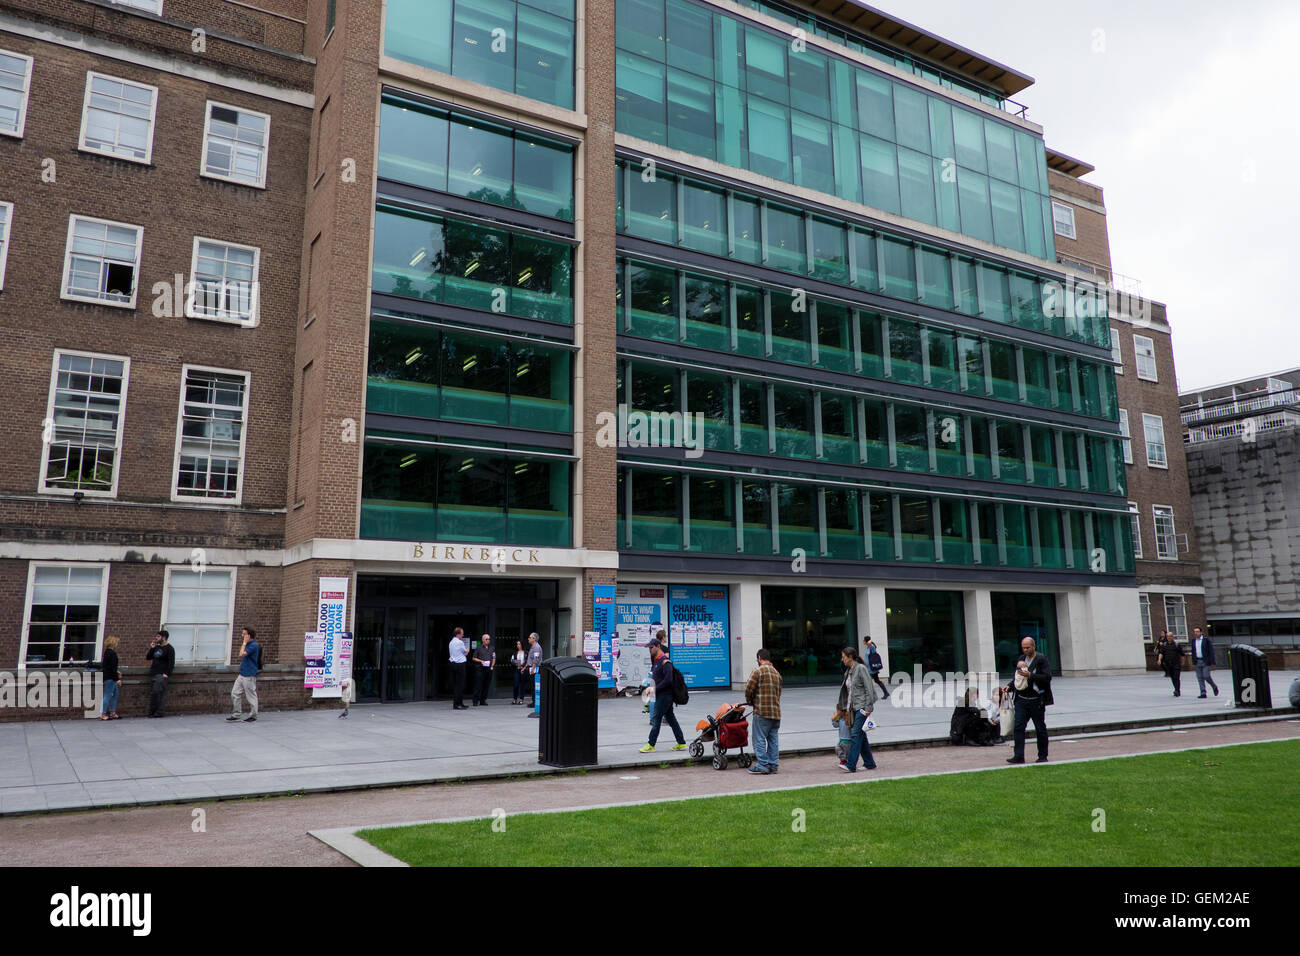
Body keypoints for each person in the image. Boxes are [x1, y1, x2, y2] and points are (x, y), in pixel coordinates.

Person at [1005, 636, 1053, 764]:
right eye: (1023, 648)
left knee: (1040, 728)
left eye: (1027, 647)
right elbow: (1017, 678)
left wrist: (1030, 675)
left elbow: (1047, 677)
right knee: (1018, 727)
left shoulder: (1041, 659)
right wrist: (1009, 686)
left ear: (1034, 646)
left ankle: (1042, 756)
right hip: (1021, 699)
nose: (1025, 650)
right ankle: (1018, 756)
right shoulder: (1021, 659)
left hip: (1036, 700)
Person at [639, 638, 687, 753]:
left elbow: (668, 680)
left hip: (665, 696)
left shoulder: (665, 662)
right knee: (671, 718)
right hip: (660, 695)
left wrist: (654, 688)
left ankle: (651, 744)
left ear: (658, 646)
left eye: (651, 647)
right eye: (648, 648)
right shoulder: (656, 661)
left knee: (656, 719)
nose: (649, 650)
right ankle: (681, 743)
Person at [743, 648, 783, 774]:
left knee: (759, 739)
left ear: (759, 658)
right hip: (775, 712)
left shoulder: (758, 671)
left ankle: (762, 765)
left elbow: (748, 689)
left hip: (762, 712)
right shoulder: (777, 673)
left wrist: (750, 702)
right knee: (773, 739)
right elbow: (779, 693)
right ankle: (773, 764)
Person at [837, 647, 877, 772]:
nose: (842, 659)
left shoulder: (860, 669)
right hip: (852, 708)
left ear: (850, 657)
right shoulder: (849, 671)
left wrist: (869, 707)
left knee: (855, 734)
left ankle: (851, 765)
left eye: (843, 657)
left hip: (862, 707)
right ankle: (869, 763)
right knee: (861, 735)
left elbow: (869, 688)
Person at [227, 626, 261, 722]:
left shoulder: (254, 645)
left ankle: (253, 716)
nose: (242, 635)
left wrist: (244, 643)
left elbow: (241, 654)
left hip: (249, 674)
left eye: (244, 634)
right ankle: (236, 714)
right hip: (242, 674)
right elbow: (241, 653)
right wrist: (245, 643)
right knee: (235, 693)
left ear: (249, 635)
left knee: (251, 696)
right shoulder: (249, 644)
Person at [145, 629, 175, 718]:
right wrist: (152, 648)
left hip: (161, 675)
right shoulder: (157, 647)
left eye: (158, 636)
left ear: (164, 638)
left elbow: (171, 663)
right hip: (153, 673)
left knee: (158, 693)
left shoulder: (169, 649)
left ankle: (159, 712)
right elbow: (148, 657)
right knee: (153, 693)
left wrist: (166, 674)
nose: (156, 638)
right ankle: (152, 712)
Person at [1190, 627, 1219, 698]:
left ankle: (1214, 686)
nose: (1196, 633)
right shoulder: (1193, 641)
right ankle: (1203, 692)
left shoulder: (1206, 640)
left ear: (1201, 632)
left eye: (1197, 632)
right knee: (1199, 677)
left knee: (1206, 676)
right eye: (1195, 632)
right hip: (1197, 661)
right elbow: (1193, 651)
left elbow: (1211, 651)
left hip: (1205, 661)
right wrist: (1193, 661)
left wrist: (1213, 662)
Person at [99, 635, 121, 720]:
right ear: (113, 643)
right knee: (108, 695)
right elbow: (113, 668)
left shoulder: (106, 652)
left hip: (108, 676)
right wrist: (117, 679)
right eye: (116, 643)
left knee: (115, 694)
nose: (117, 644)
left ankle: (112, 712)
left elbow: (107, 666)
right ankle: (103, 713)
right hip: (111, 678)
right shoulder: (112, 653)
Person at [1156, 630, 1182, 697]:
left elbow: (1182, 654)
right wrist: (1159, 659)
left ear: (1173, 637)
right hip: (1168, 664)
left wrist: (1182, 662)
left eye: (1170, 636)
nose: (1169, 637)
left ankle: (1177, 690)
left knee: (1176, 677)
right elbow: (1161, 653)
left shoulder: (1176, 644)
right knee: (1173, 677)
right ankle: (1176, 689)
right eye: (1167, 636)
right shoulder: (1164, 645)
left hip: (1176, 664)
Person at [472, 633, 495, 706]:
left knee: (486, 685)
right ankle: (475, 700)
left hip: (488, 669)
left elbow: (494, 658)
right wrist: (481, 661)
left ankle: (483, 700)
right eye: (486, 639)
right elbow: (474, 658)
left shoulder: (492, 648)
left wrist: (492, 666)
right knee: (478, 685)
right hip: (480, 669)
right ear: (483, 640)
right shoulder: (478, 648)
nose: (488, 640)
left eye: (489, 639)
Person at [449, 627, 469, 710]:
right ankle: (457, 704)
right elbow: (465, 652)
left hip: (453, 664)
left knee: (456, 685)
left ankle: (459, 703)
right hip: (460, 664)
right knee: (460, 685)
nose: (463, 635)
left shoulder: (451, 642)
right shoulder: (460, 642)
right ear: (458, 634)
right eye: (462, 633)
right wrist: (467, 650)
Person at [526, 632, 543, 709]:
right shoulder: (533, 646)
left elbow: (536, 659)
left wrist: (533, 668)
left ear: (534, 639)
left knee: (534, 685)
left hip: (534, 668)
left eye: (530, 637)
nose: (528, 639)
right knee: (532, 685)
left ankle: (535, 702)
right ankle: (534, 701)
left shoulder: (536, 647)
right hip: (531, 667)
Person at [511, 639, 527, 704]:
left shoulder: (526, 652)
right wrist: (515, 663)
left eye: (519, 644)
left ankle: (521, 699)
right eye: (517, 644)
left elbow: (528, 661)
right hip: (517, 670)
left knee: (522, 685)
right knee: (516, 684)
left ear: (522, 644)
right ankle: (515, 698)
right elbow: (512, 660)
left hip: (523, 670)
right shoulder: (515, 653)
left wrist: (523, 665)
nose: (518, 645)